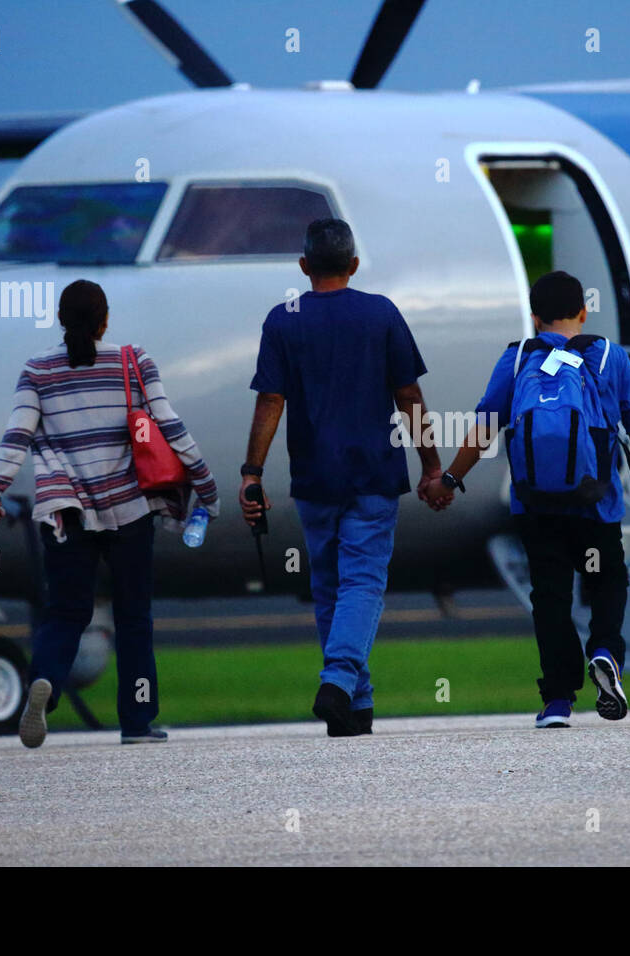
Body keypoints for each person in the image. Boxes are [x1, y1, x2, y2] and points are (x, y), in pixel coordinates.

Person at [0, 279, 219, 748]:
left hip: (65, 510)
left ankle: (43, 684)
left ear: (61, 321)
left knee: (66, 611)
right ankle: (136, 722)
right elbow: (170, 425)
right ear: (105, 319)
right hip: (129, 507)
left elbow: (17, 439)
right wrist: (206, 485)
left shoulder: (37, 370)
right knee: (134, 616)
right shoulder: (133, 361)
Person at [425, 271, 630, 728]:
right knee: (608, 581)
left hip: (536, 507)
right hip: (596, 507)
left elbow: (484, 429)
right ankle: (604, 651)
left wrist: (450, 480)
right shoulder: (609, 357)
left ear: (534, 317)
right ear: (584, 311)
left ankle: (557, 700)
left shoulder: (517, 360)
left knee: (550, 598)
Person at [241, 218, 443, 737]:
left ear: (303, 266)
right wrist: (431, 464)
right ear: (354, 265)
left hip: (313, 476)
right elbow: (408, 397)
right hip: (373, 472)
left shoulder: (281, 320)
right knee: (363, 584)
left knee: (330, 586)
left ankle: (356, 707)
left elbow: (271, 400)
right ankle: (337, 681)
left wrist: (252, 472)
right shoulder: (381, 314)